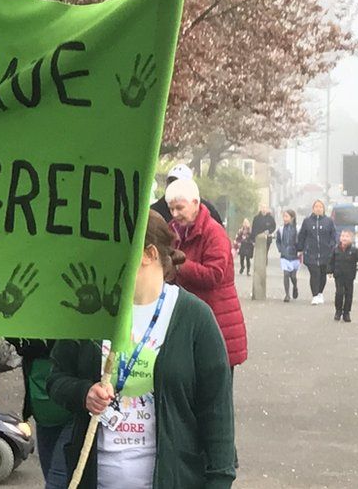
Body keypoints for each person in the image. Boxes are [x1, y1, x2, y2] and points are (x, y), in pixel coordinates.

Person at [47, 211, 236, 489]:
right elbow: (55, 380)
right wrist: (84, 393)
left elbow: (217, 411)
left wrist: (220, 479)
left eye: (115, 250)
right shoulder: (92, 311)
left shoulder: (195, 317)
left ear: (148, 254)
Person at [166, 178, 247, 369]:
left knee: (215, 382)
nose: (175, 214)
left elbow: (213, 275)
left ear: (195, 203)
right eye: (171, 209)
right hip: (189, 317)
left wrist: (179, 264)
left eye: (179, 208)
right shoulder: (172, 231)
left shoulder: (214, 233)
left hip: (217, 317)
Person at [11, 339, 73, 489]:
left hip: (74, 412)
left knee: (57, 480)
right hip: (43, 412)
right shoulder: (32, 344)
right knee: (51, 473)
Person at [150, 164, 224, 226]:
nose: (173, 185)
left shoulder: (209, 211)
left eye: (178, 182)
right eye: (170, 182)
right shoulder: (154, 211)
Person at [297, 199, 337, 305]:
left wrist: (332, 246)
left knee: (322, 274)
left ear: (323, 209)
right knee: (314, 273)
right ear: (313, 209)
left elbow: (333, 235)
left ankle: (320, 293)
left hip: (325, 252)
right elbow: (302, 235)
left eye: (320, 207)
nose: (318, 209)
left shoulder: (329, 221)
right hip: (311, 253)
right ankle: (314, 295)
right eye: (316, 207)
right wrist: (300, 248)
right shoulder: (307, 221)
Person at [327, 229, 358, 323]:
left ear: (351, 239)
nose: (344, 238)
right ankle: (338, 311)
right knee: (339, 293)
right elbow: (330, 261)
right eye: (342, 236)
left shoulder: (354, 250)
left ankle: (346, 312)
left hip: (349, 276)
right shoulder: (335, 249)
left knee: (349, 294)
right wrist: (329, 271)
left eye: (347, 236)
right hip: (338, 275)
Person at [277, 210, 300, 303]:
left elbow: (301, 240)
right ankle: (287, 294)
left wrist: (300, 250)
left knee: (293, 276)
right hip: (284, 255)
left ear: (292, 218)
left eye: (287, 216)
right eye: (284, 216)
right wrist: (280, 249)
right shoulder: (281, 229)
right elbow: (278, 240)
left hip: (295, 255)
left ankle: (295, 286)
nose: (285, 219)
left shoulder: (298, 229)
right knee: (286, 274)